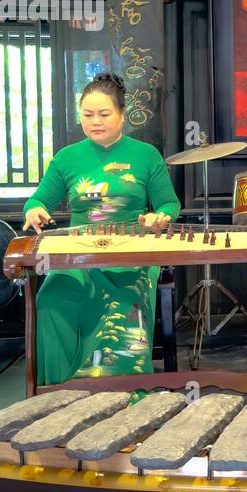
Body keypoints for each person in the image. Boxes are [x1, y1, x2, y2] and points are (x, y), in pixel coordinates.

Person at [22, 73, 180, 384]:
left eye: (104, 114)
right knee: (52, 297)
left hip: (131, 251)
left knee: (124, 305)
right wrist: (35, 210)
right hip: (79, 253)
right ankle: (61, 390)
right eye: (87, 114)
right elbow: (38, 200)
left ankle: (121, 395)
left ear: (122, 114)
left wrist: (158, 217)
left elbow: (169, 204)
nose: (95, 121)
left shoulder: (146, 155)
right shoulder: (67, 158)